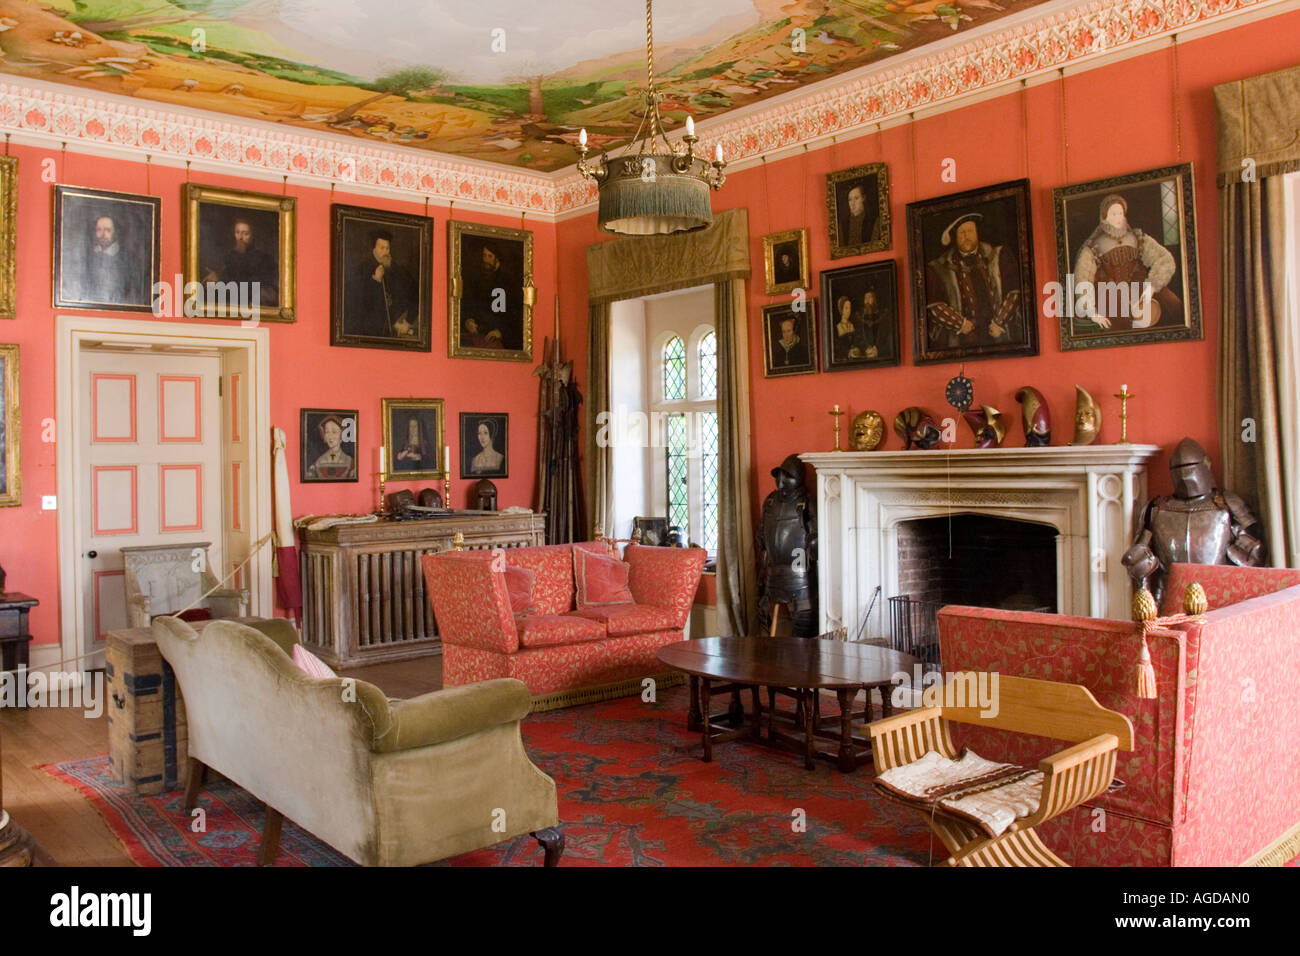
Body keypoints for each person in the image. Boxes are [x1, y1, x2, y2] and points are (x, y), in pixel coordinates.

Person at [1122, 437, 1263, 605]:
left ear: (1206, 465)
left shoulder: (1226, 504)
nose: (1184, 475)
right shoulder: (1155, 508)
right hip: (1169, 598)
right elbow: (1138, 561)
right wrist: (1146, 606)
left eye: (1189, 468)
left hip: (1218, 596)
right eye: (1179, 468)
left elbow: (1255, 556)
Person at [1073, 194, 1182, 331]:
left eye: (1120, 213)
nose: (1118, 217)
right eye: (1113, 214)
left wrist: (1152, 287)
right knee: (1121, 324)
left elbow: (1165, 259)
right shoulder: (1094, 245)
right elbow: (1082, 277)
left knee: (1173, 305)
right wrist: (1091, 311)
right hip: (1110, 292)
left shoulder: (1137, 237)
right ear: (1104, 216)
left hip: (1140, 286)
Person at [923, 213, 1020, 351]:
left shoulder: (998, 255)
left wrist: (999, 322)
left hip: (997, 332)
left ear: (976, 233)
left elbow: (1014, 292)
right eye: (962, 233)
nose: (966, 236)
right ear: (955, 238)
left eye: (970, 231)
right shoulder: (939, 267)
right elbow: (934, 305)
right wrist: (960, 324)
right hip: (962, 337)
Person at [346, 230, 418, 338]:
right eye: (382, 248)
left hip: (396, 331)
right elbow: (358, 304)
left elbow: (415, 292)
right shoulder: (362, 269)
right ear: (374, 249)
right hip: (372, 332)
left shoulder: (397, 269)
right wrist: (376, 281)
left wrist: (407, 322)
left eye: (387, 248)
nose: (385, 252)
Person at [70, 214, 145, 305]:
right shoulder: (87, 257)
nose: (103, 234)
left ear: (115, 232)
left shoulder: (129, 258)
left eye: (108, 230)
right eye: (99, 230)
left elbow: (136, 291)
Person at [203, 216, 278, 305]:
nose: (240, 238)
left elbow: (254, 284)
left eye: (245, 233)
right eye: (237, 232)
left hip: (251, 299)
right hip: (232, 296)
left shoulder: (263, 258)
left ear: (253, 235)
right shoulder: (230, 256)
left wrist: (220, 279)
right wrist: (214, 277)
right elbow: (228, 276)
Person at [461, 243, 521, 350]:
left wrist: (501, 332)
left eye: (490, 256)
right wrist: (468, 321)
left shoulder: (507, 281)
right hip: (477, 334)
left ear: (496, 259)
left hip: (497, 337)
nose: (486, 260)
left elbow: (514, 316)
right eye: (484, 255)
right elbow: (469, 305)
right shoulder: (476, 278)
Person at [306, 415, 354, 479]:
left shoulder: (351, 463)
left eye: (334, 432)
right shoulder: (317, 462)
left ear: (342, 435)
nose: (330, 436)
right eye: (327, 432)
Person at [840, 182, 876, 246]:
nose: (852, 203)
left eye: (856, 198)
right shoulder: (843, 225)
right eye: (850, 200)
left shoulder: (874, 222)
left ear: (863, 198)